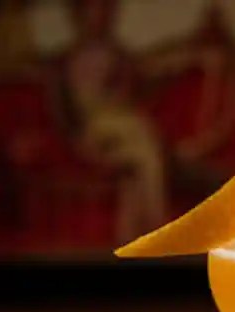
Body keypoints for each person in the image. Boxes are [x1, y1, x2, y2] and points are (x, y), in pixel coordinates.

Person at [59, 0, 166, 241]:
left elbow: (132, 92)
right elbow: (71, 109)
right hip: (94, 131)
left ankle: (134, 237)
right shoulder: (69, 59)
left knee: (139, 163)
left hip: (120, 129)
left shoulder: (118, 54)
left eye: (104, 10)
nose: (100, 17)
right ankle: (158, 224)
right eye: (93, 10)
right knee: (142, 139)